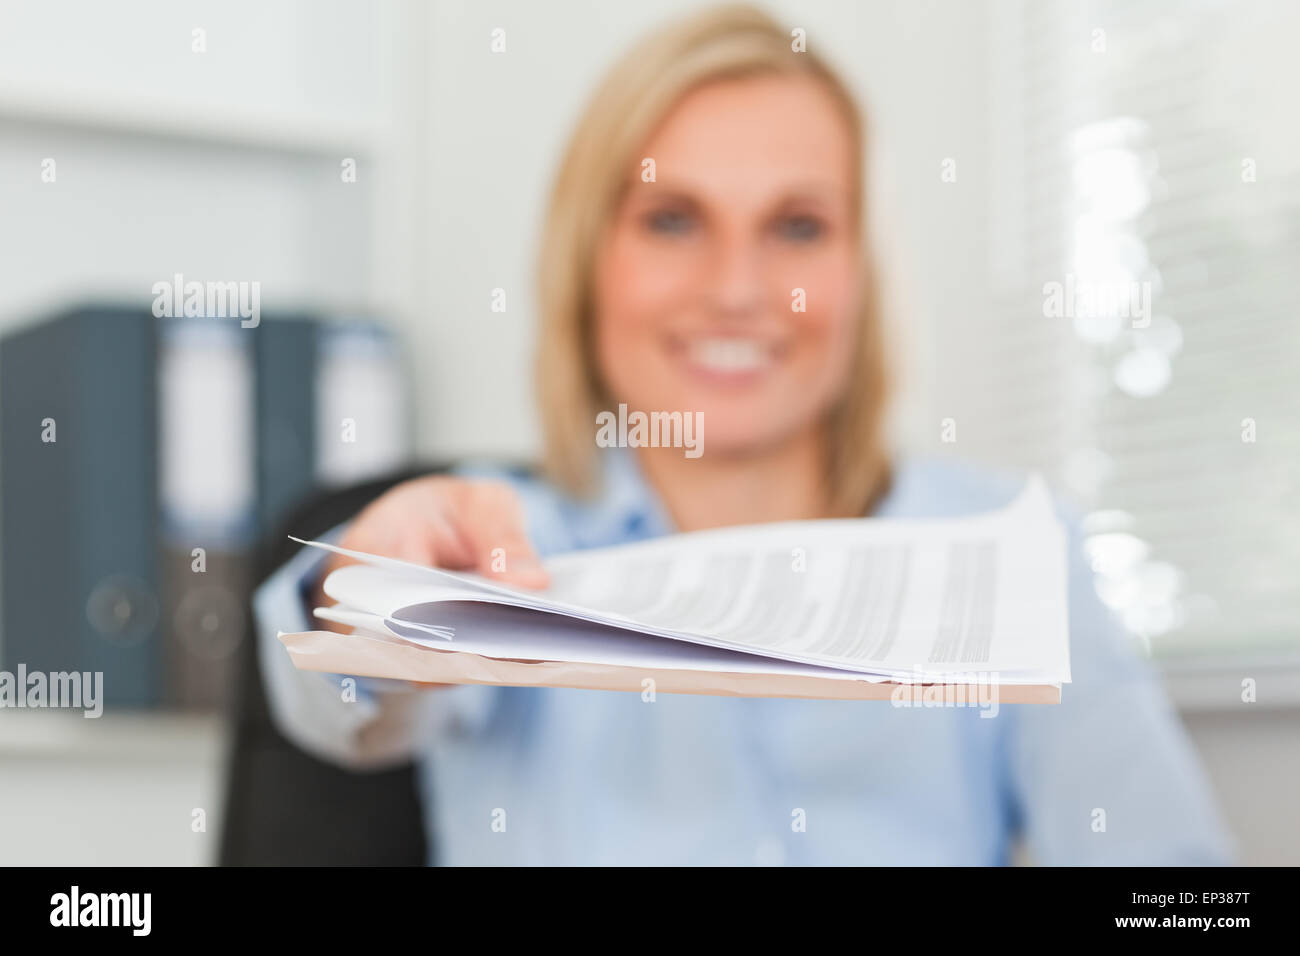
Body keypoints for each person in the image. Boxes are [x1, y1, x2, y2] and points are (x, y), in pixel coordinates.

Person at [255, 5, 1231, 865]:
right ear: (587, 259)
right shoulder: (501, 547)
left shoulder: (1010, 550)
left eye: (797, 226)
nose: (736, 289)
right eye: (672, 220)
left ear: (864, 272)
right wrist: (370, 592)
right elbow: (345, 698)